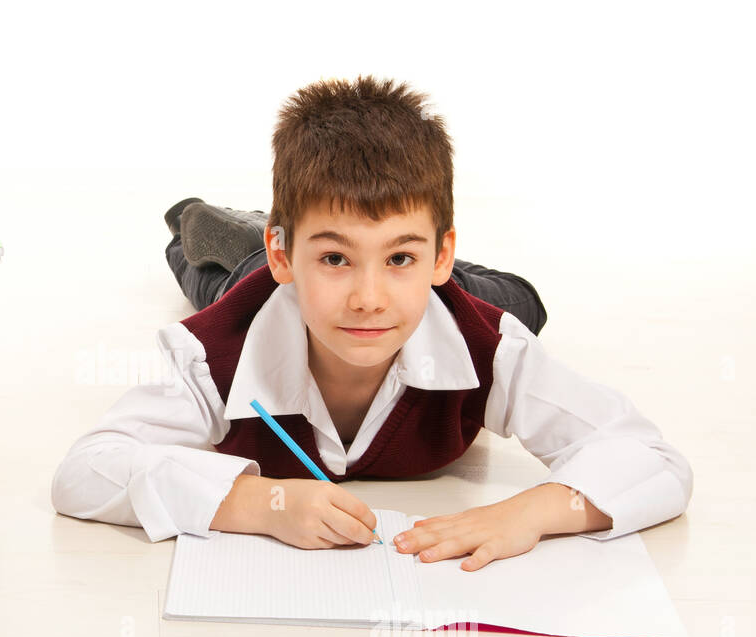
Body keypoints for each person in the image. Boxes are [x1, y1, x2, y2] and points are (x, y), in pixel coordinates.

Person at [50, 75, 692, 572]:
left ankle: (376, 252)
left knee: (522, 304)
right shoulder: (213, 351)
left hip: (449, 292)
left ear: (439, 254)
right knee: (214, 278)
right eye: (334, 257)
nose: (367, 297)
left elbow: (656, 460)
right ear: (289, 253)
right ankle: (201, 226)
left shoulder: (487, 343)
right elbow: (84, 471)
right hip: (260, 275)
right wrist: (253, 504)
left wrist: (533, 512)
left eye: (403, 256)